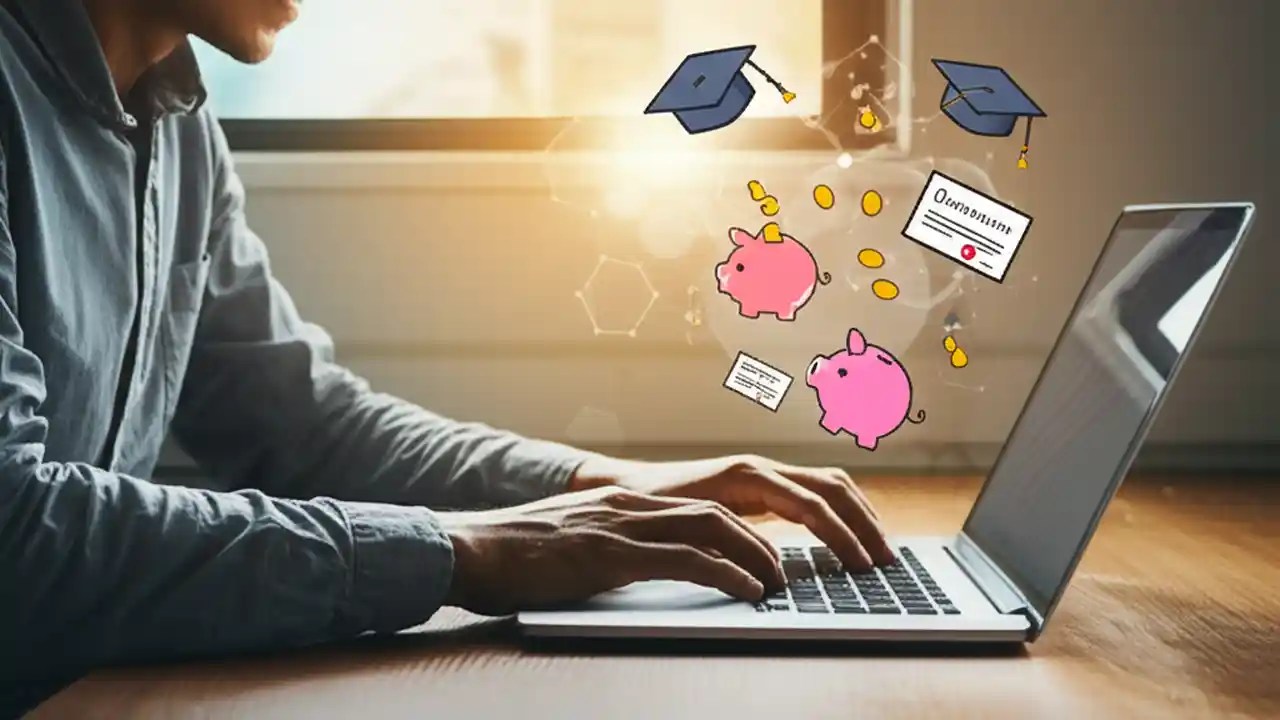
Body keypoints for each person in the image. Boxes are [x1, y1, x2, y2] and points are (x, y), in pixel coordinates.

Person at [0, 0, 893, 711]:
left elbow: (307, 428)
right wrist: (468, 554)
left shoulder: (179, 124)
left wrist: (603, 488)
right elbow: (14, 534)